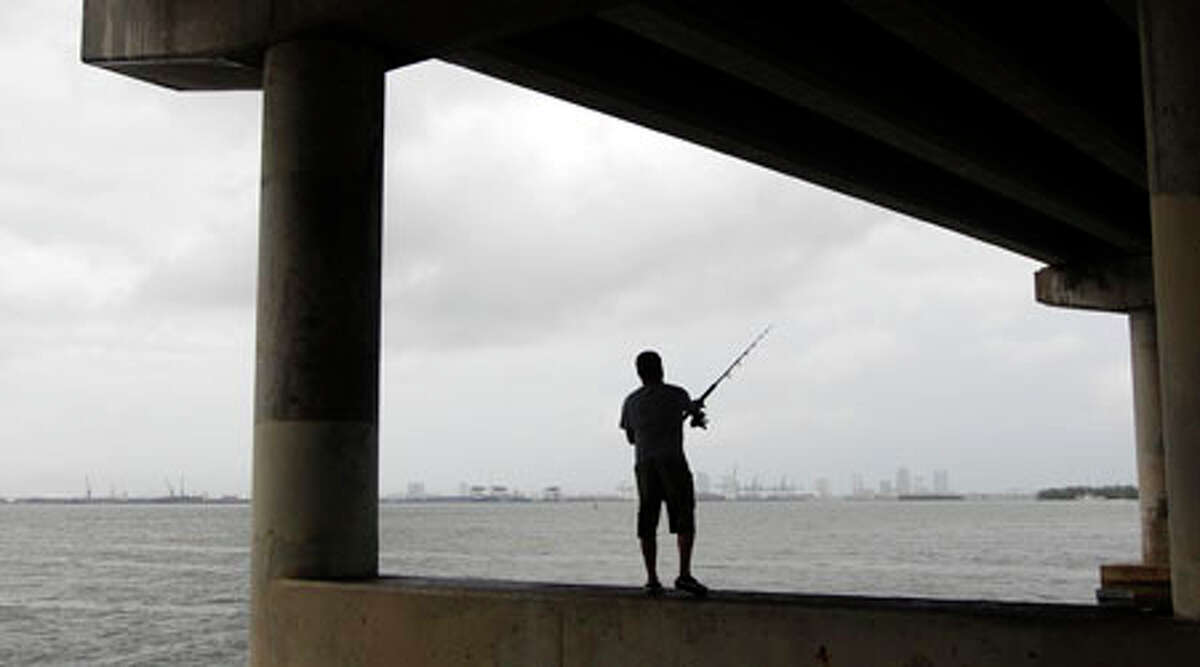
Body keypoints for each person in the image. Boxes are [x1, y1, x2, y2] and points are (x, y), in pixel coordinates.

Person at [619, 350, 709, 597]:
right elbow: (697, 418)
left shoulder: (630, 401)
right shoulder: (676, 394)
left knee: (647, 521)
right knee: (684, 517)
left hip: (644, 465)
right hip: (672, 462)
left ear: (639, 373)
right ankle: (684, 575)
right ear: (661, 368)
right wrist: (693, 414)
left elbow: (630, 438)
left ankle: (652, 579)